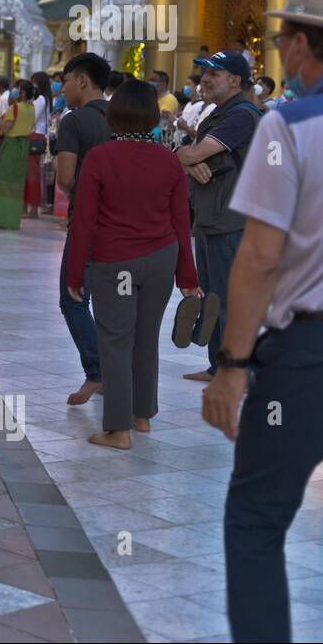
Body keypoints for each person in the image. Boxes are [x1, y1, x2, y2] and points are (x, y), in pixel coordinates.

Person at [202, 0, 323, 643]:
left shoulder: (288, 125)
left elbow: (258, 257)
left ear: (303, 46)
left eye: (282, 39)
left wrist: (232, 364)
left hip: (307, 355)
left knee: (255, 518)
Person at [66, 79, 201, 449]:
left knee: (115, 340)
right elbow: (180, 222)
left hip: (116, 261)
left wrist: (75, 272)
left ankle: (117, 430)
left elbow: (84, 221)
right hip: (161, 258)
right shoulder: (169, 160)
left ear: (115, 114)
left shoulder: (101, 158)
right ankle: (141, 416)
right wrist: (187, 277)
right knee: (145, 338)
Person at [178, 50, 262, 383]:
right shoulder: (217, 114)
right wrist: (187, 157)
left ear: (236, 80)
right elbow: (186, 154)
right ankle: (218, 366)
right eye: (205, 72)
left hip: (232, 222)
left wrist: (188, 156)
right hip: (210, 219)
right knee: (212, 298)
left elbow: (193, 152)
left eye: (215, 73)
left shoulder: (241, 115)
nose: (206, 79)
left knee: (231, 300)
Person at [54, 52, 112, 406]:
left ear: (82, 81)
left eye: (66, 80)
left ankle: (98, 372)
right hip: (122, 224)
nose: (62, 87)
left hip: (88, 223)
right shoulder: (123, 117)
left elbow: (64, 178)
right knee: (111, 304)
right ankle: (117, 373)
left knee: (73, 298)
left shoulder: (74, 121)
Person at [0, 79, 34, 230]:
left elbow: (5, 128)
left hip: (11, 147)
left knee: (3, 183)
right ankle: (12, 218)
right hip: (24, 146)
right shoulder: (31, 108)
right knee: (16, 184)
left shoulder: (14, 108)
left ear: (22, 92)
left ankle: (2, 218)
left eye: (17, 89)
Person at [26, 72, 53, 217]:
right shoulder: (41, 98)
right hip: (34, 134)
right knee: (30, 173)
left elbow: (32, 117)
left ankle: (34, 208)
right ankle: (30, 206)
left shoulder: (41, 99)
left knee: (33, 174)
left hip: (36, 135)